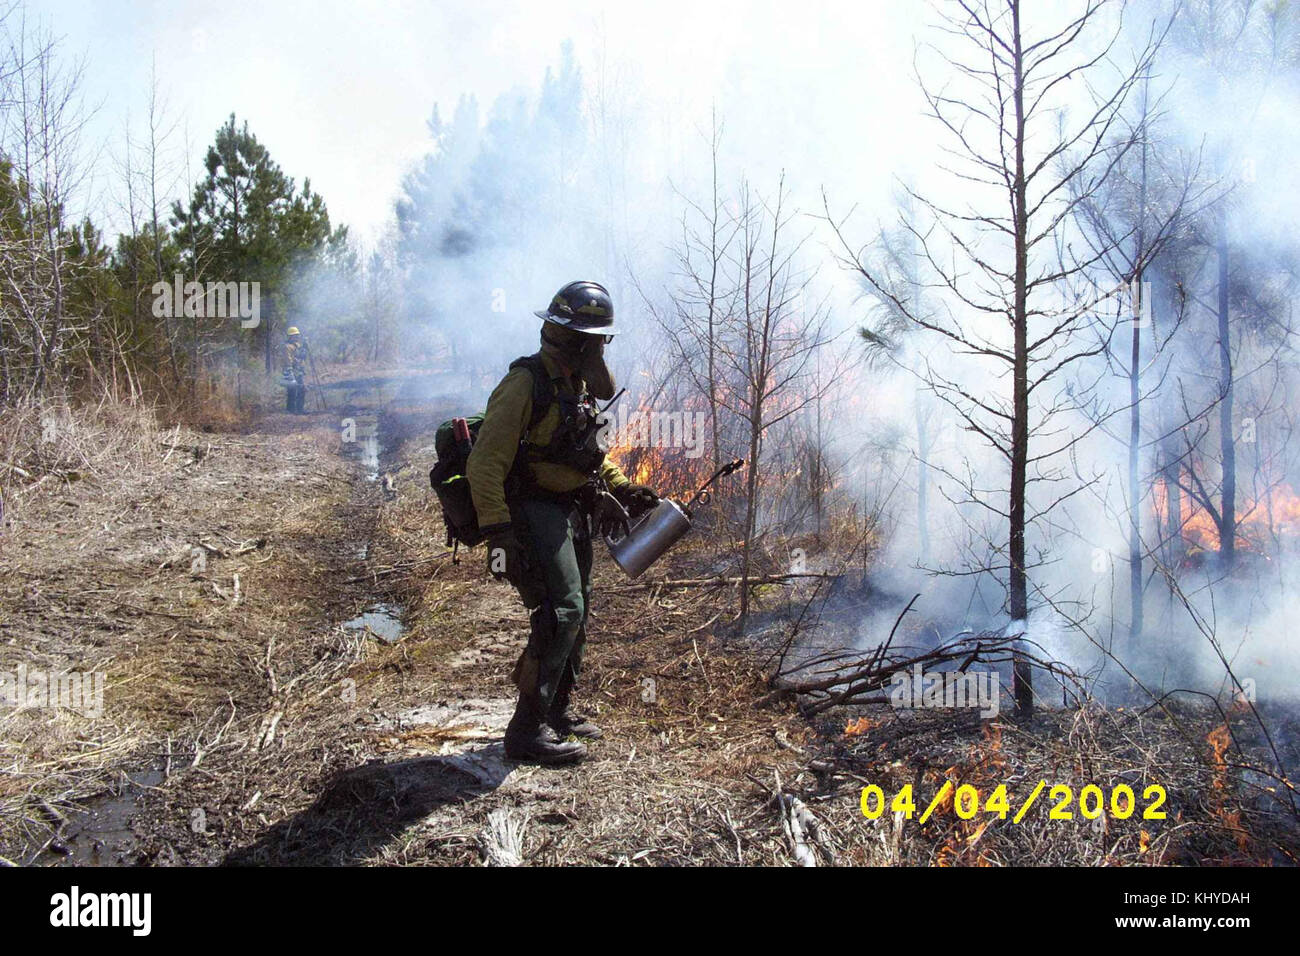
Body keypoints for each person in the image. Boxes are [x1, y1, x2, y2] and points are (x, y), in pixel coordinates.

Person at [466, 281, 659, 765]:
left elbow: (587, 454)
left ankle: (557, 711)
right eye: (595, 339)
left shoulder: (574, 386)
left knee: (580, 609)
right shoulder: (525, 384)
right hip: (533, 510)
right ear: (575, 339)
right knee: (561, 612)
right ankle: (525, 731)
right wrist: (498, 531)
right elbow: (485, 463)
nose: (600, 348)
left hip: (571, 508)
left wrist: (624, 486)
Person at [282, 327, 308, 414]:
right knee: (292, 390)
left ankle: (300, 409)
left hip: (299, 371)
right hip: (291, 371)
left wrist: (305, 348)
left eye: (297, 335)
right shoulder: (287, 347)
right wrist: (290, 372)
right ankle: (291, 410)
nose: (297, 337)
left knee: (301, 389)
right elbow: (288, 360)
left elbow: (302, 356)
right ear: (290, 337)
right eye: (294, 335)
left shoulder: (297, 345)